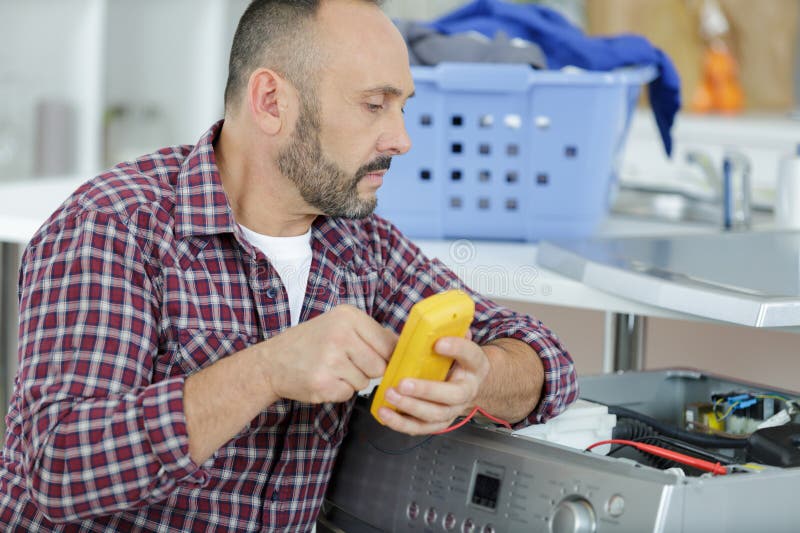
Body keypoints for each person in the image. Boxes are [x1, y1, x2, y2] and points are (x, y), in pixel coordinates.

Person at [0, 0, 577, 530]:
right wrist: (265, 372)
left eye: (402, 107)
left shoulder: (363, 246)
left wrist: (481, 377)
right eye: (374, 105)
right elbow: (56, 467)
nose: (401, 138)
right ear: (272, 102)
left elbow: (546, 360)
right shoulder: (116, 225)